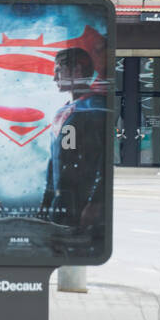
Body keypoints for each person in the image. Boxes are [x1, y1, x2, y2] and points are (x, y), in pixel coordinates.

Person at [41, 47, 107, 233]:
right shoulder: (65, 110)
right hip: (62, 203)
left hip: (81, 203)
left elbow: (103, 161)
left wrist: (95, 203)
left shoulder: (95, 108)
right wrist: (47, 201)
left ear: (76, 70)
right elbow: (55, 160)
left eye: (58, 71)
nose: (54, 78)